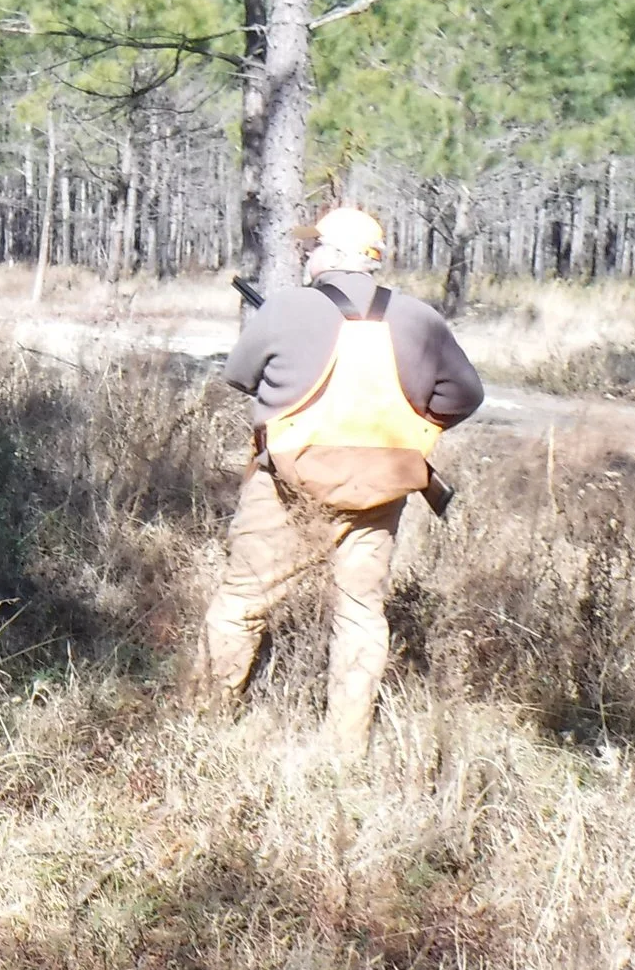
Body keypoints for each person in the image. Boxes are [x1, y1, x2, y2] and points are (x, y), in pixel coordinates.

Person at [200, 205, 484, 749]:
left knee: (242, 602)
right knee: (360, 612)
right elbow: (465, 396)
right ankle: (346, 747)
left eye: (315, 246)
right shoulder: (420, 318)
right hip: (379, 490)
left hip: (288, 487)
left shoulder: (287, 309)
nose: (308, 253)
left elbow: (240, 377)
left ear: (335, 255)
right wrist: (414, 425)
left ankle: (212, 722)